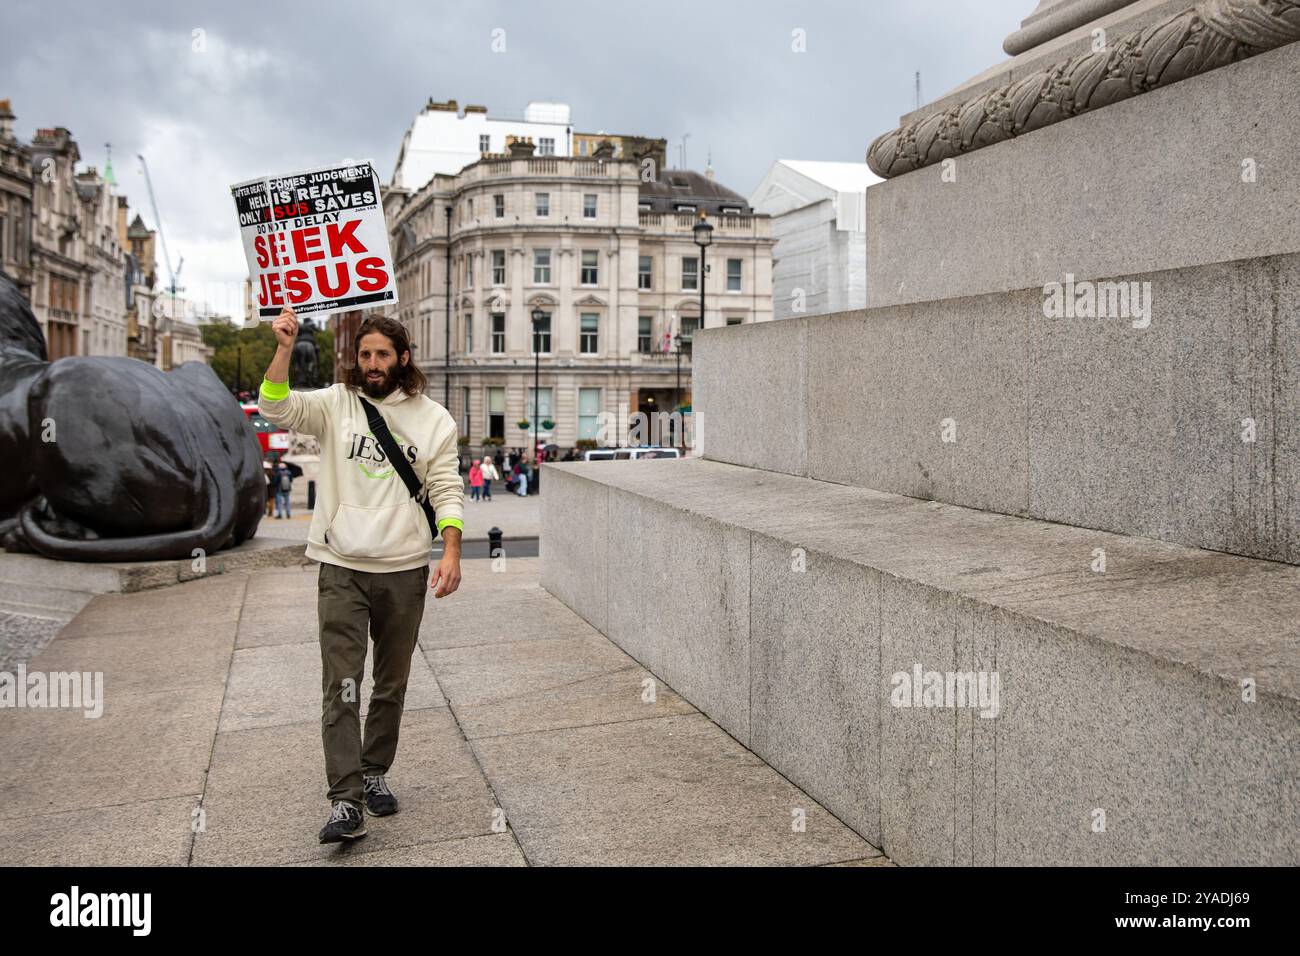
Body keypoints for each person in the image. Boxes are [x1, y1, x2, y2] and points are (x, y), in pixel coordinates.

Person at [258, 306, 464, 846]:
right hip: (341, 568)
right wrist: (283, 347)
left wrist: (451, 551)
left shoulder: (435, 419)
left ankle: (374, 772)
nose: (372, 363)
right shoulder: (334, 404)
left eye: (382, 354)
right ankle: (345, 801)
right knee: (342, 686)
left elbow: (446, 486)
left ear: (403, 358)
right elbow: (274, 407)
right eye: (365, 354)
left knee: (391, 684)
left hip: (403, 570)